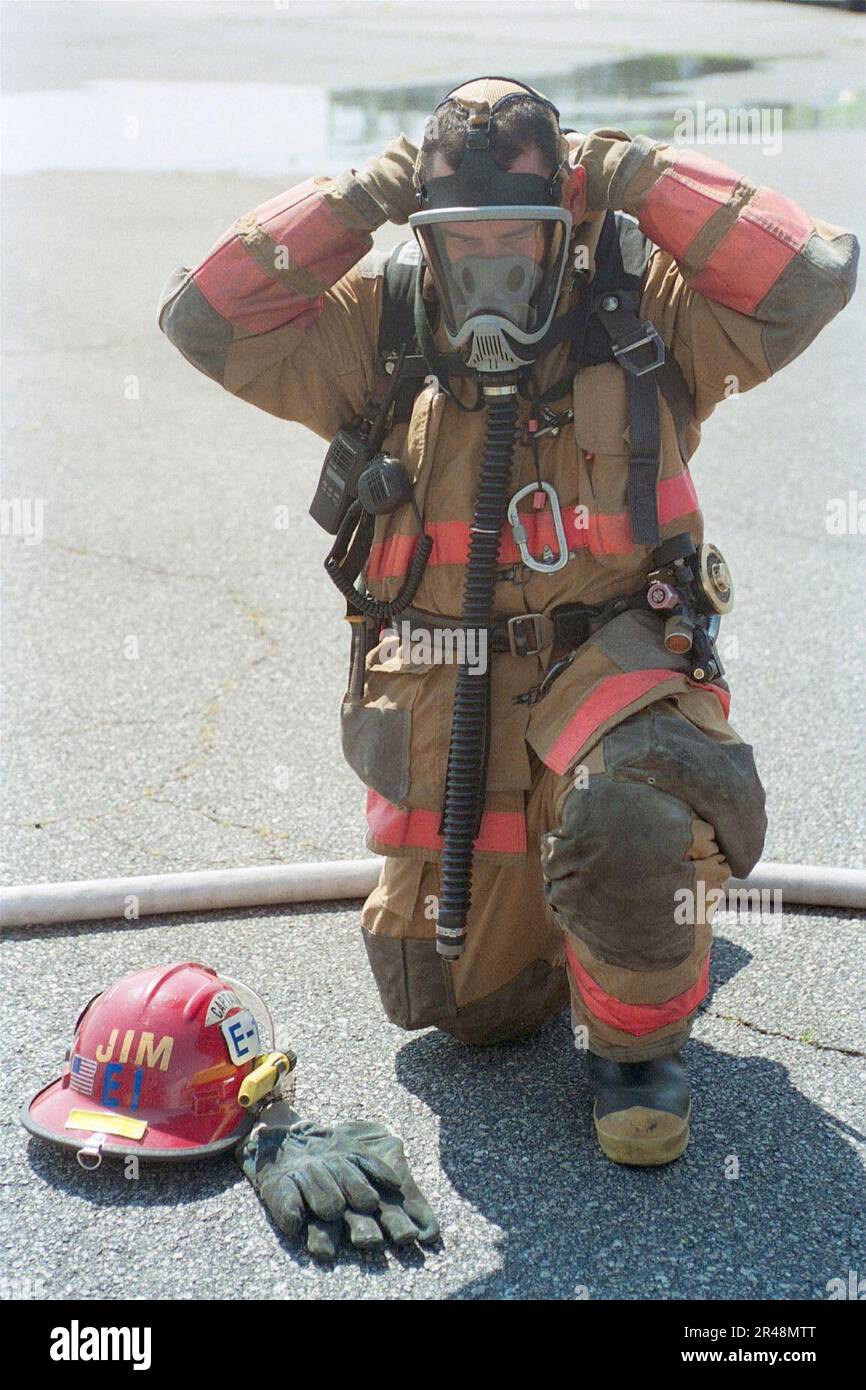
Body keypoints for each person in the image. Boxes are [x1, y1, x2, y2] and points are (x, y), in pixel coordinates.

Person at [159, 77, 858, 1166]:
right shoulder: (380, 336)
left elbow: (807, 275)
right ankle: (615, 926)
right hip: (456, 722)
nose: (488, 272)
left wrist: (626, 172)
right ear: (426, 242)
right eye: (461, 241)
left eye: (515, 241)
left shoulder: (641, 315)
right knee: (450, 1008)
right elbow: (203, 316)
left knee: (626, 815)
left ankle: (637, 1050)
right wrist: (371, 187)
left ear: (563, 231)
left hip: (616, 690)